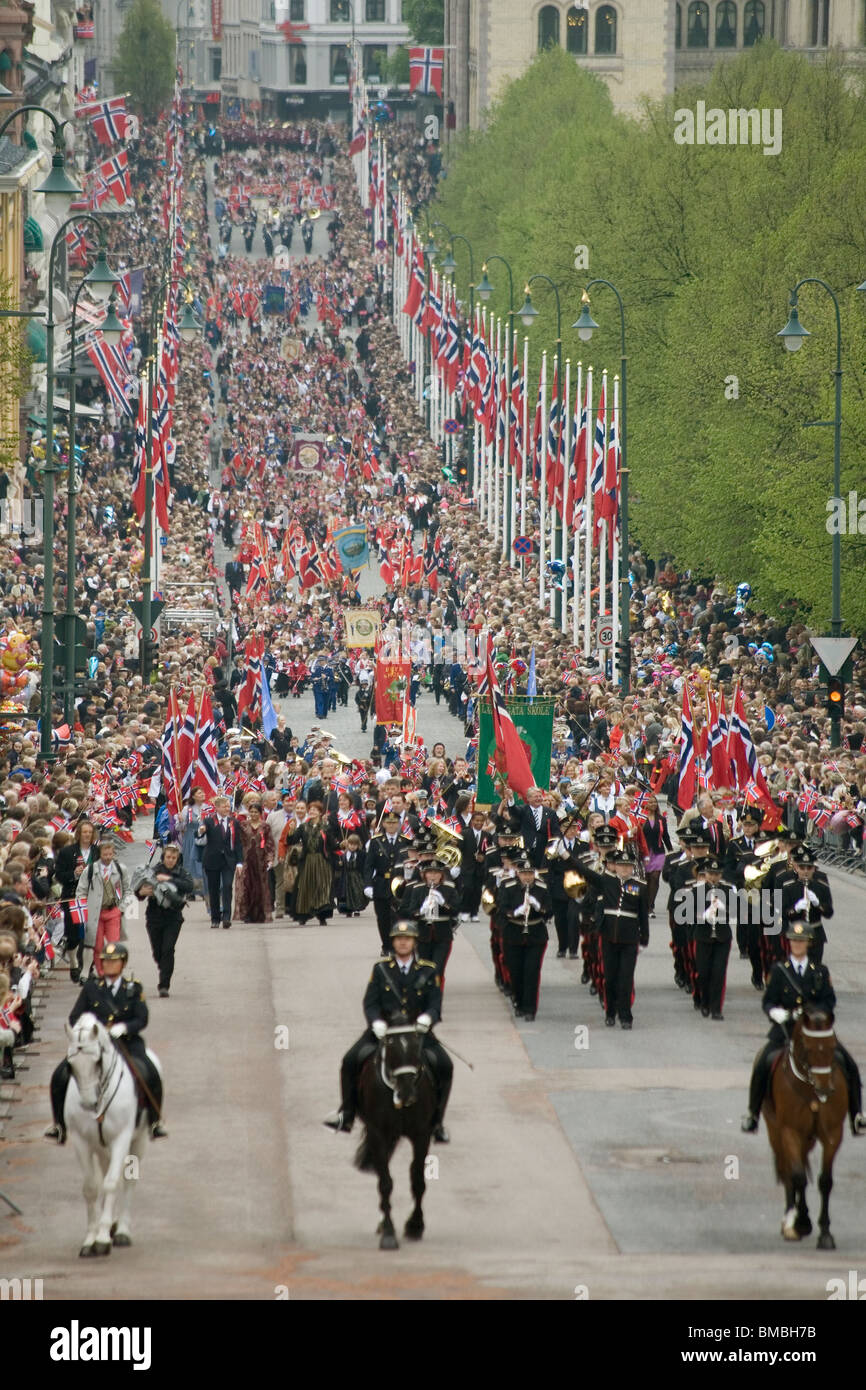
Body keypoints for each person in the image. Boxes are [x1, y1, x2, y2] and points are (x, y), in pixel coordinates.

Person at [323, 920, 453, 1143]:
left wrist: (428, 1018)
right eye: (399, 939)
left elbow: (435, 1002)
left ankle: (437, 1122)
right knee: (350, 1060)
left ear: (414, 942)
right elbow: (370, 1002)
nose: (403, 943)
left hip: (416, 1032)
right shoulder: (381, 969)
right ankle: (347, 1114)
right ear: (393, 942)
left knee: (444, 1065)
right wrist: (375, 1021)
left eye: (407, 939)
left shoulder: (428, 970)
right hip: (385, 1031)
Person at [742, 918, 866, 1136]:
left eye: (801, 941)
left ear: (808, 944)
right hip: (786, 1031)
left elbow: (830, 1001)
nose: (797, 945)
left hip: (816, 1031)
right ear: (789, 943)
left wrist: (816, 1014)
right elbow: (768, 1001)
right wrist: (776, 1013)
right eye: (793, 940)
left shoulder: (819, 971)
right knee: (762, 1062)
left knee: (849, 1065)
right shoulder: (779, 971)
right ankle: (753, 1113)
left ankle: (857, 1115)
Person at [45, 941, 167, 1143]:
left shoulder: (133, 988)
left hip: (126, 1043)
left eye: (114, 962)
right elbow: (75, 1017)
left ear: (123, 963)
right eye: (106, 962)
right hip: (95, 1043)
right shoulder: (92, 988)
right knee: (60, 1075)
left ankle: (154, 1122)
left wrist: (125, 1028)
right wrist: (89, 1026)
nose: (109, 966)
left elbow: (142, 1018)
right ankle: (59, 1124)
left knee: (149, 1071)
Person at [583, 847, 649, 1029]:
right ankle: (610, 1012)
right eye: (621, 866)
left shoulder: (640, 886)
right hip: (608, 937)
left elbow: (643, 915)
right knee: (610, 978)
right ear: (616, 867)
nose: (625, 869)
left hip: (629, 939)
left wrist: (644, 938)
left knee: (626, 979)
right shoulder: (607, 882)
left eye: (628, 866)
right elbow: (586, 873)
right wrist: (566, 856)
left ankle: (626, 1016)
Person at [497, 852, 552, 1021]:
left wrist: (538, 906)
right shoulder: (508, 886)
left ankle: (530, 1008)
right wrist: (514, 912)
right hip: (513, 933)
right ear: (518, 873)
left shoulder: (541, 888)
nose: (527, 877)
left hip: (535, 934)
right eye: (524, 874)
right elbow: (501, 908)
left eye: (530, 874)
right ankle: (518, 1002)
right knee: (515, 971)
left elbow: (549, 911)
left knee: (531, 971)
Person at [134, 842, 193, 997]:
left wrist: (169, 879)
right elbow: (138, 893)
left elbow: (189, 886)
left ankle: (164, 985)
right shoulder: (154, 871)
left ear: (177, 858)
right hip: (154, 916)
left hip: (173, 916)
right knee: (157, 952)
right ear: (163, 857)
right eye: (168, 857)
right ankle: (164, 967)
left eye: (174, 857)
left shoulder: (181, 872)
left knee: (168, 949)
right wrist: (142, 892)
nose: (171, 860)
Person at [77, 838, 130, 979]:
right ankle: (101, 974)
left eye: (110, 854)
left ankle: (114, 973)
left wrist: (122, 908)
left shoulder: (120, 869)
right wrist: (83, 909)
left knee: (113, 945)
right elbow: (81, 891)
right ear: (100, 854)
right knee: (97, 945)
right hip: (95, 913)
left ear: (114, 854)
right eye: (104, 854)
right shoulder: (90, 870)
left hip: (113, 911)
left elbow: (128, 891)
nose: (107, 858)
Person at [55, 818, 98, 983]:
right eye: (84, 832)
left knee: (89, 935)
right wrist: (74, 873)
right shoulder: (67, 852)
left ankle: (87, 969)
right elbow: (59, 875)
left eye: (90, 832)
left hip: (92, 897)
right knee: (74, 937)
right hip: (72, 897)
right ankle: (74, 963)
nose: (87, 835)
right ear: (79, 834)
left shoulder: (97, 852)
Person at [401, 857, 460, 979]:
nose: (433, 876)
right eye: (430, 873)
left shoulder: (449, 889)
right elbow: (410, 912)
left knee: (437, 969)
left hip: (443, 935)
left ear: (441, 875)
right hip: (423, 935)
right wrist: (421, 911)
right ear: (424, 875)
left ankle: (436, 995)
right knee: (423, 968)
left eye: (436, 873)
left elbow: (455, 911)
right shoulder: (418, 890)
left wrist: (443, 903)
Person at [196, 794, 244, 929]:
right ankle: (215, 918)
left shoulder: (234, 822)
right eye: (224, 806)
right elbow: (198, 835)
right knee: (214, 889)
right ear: (217, 808)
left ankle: (226, 917)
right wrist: (201, 831)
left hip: (228, 860)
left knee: (227, 886)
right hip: (212, 860)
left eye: (228, 806)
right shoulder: (209, 821)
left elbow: (238, 844)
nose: (227, 808)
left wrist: (240, 861)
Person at [779, 845, 833, 965]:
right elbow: (783, 913)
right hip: (795, 933)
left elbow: (829, 913)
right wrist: (795, 909)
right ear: (796, 868)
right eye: (802, 867)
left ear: (814, 869)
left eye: (809, 867)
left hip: (815, 933)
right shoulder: (789, 887)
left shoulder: (821, 887)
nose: (806, 871)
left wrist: (818, 904)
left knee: (815, 970)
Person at [363, 809, 407, 950]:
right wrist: (368, 885)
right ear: (383, 824)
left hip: (399, 885)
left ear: (398, 824)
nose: (392, 825)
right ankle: (386, 945)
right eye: (389, 822)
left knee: (397, 917)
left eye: (394, 823)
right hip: (381, 884)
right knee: (382, 918)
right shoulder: (376, 842)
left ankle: (395, 945)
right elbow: (369, 866)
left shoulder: (405, 842)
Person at [235, 802, 275, 922]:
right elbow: (239, 843)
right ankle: (247, 914)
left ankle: (259, 914)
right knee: (246, 887)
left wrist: (270, 858)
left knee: (259, 888)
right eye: (251, 812)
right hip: (247, 861)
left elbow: (270, 844)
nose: (253, 814)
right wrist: (239, 861)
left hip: (260, 861)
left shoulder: (265, 827)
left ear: (260, 813)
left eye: (256, 812)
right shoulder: (243, 825)